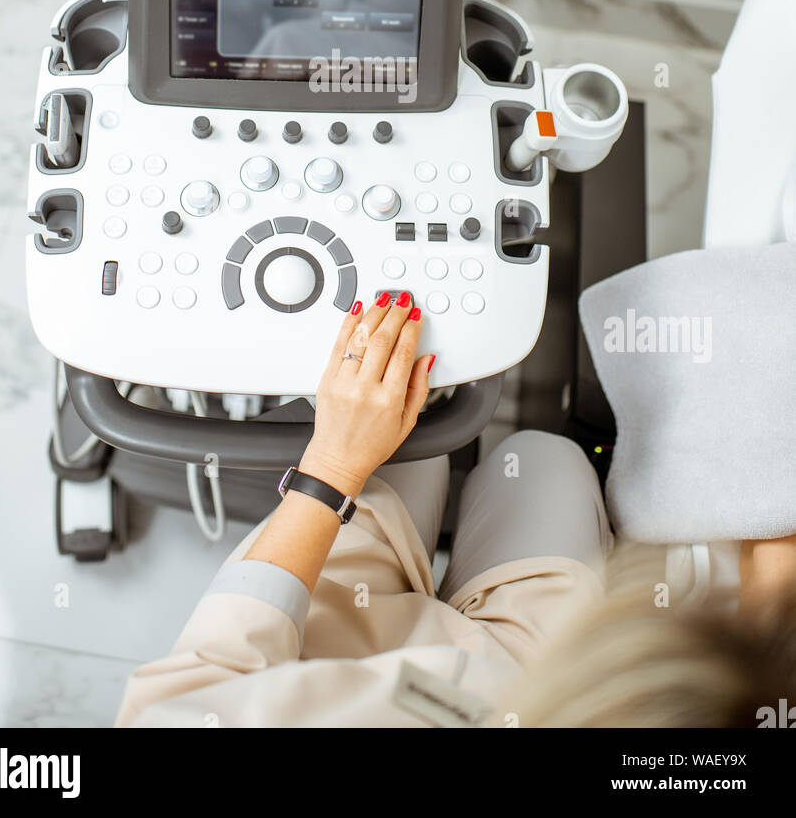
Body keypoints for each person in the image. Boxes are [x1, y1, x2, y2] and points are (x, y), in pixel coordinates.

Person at [116, 292, 613, 728]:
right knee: (543, 459)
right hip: (518, 691)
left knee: (416, 438)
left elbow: (218, 659)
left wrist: (334, 463)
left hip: (317, 639)